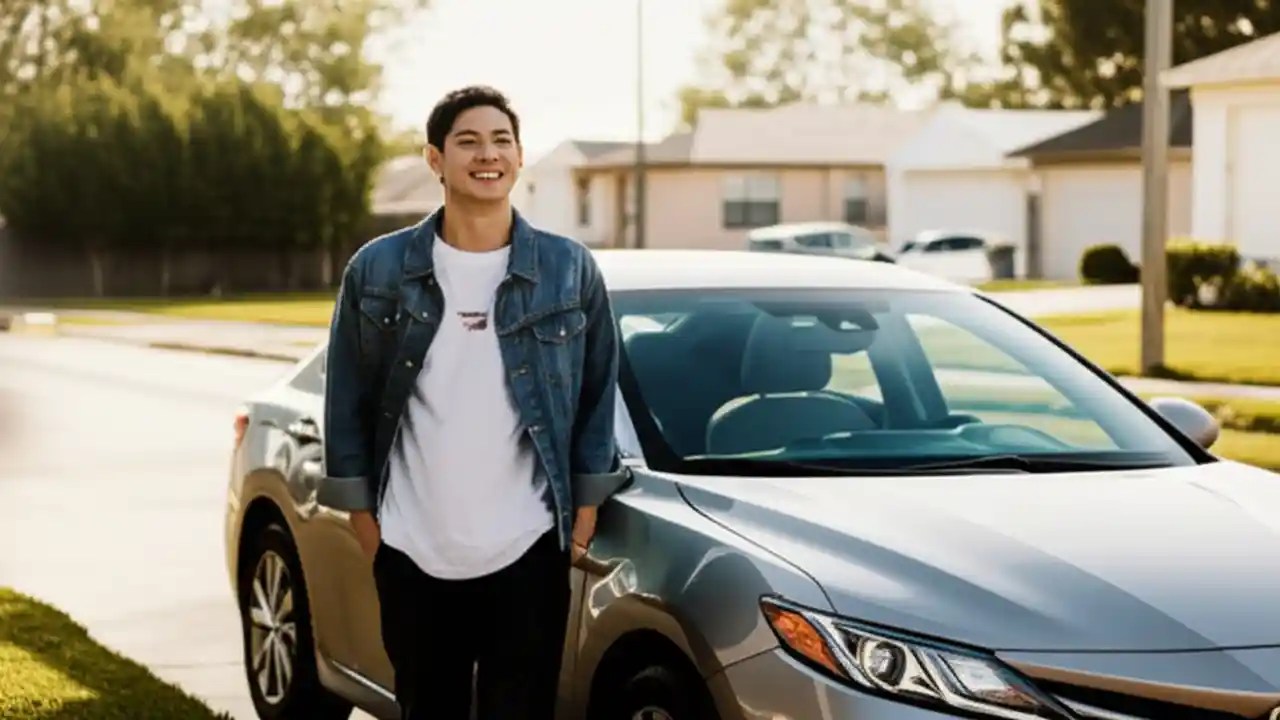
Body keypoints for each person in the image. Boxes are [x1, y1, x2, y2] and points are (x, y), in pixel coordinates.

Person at [318, 85, 629, 720]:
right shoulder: (376, 272)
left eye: (501, 141)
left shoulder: (569, 270)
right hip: (410, 547)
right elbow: (346, 399)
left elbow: (599, 391)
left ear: (519, 158)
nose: (487, 155)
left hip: (528, 549)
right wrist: (367, 526)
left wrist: (585, 512)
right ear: (435, 159)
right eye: (468, 141)